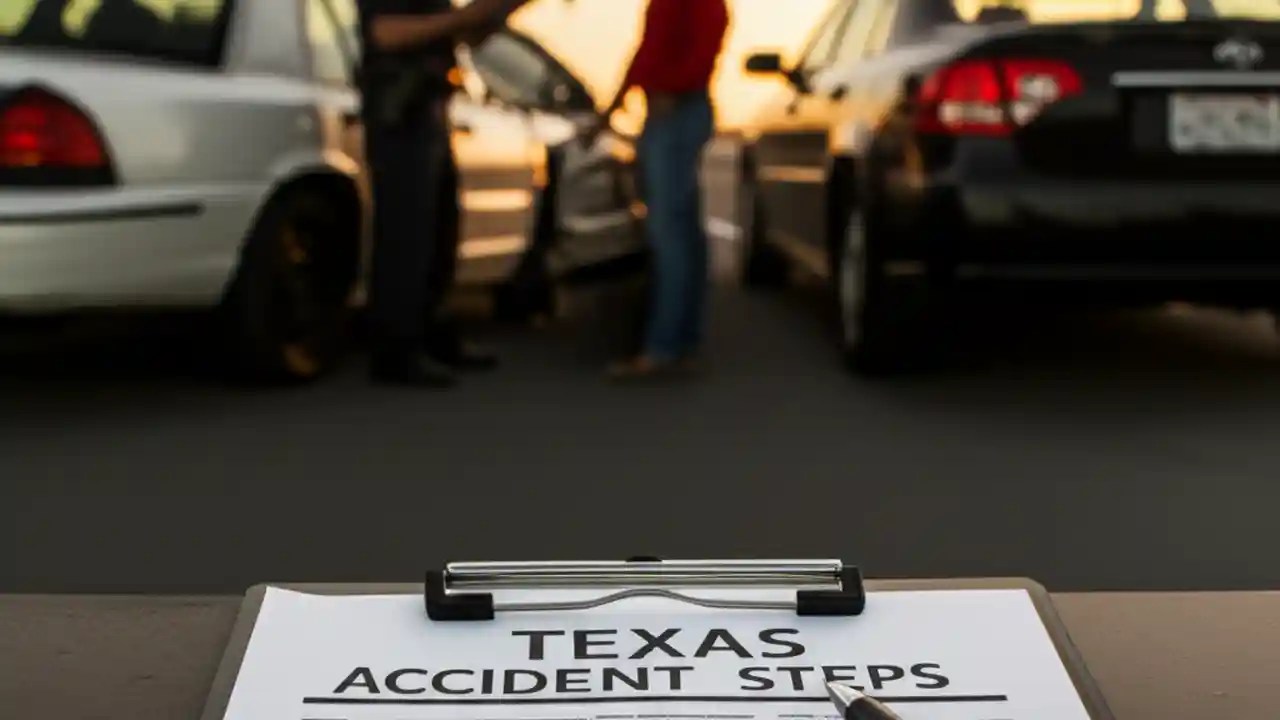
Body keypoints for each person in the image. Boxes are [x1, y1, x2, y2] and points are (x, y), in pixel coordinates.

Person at [358, 0, 529, 387]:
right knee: (406, 234)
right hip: (399, 114)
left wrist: (499, 10)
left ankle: (432, 334)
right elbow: (385, 33)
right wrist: (461, 18)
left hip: (430, 110)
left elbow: (465, 35)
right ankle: (395, 351)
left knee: (439, 231)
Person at [590, 0, 729, 381]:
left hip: (677, 112)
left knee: (670, 234)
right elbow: (647, 49)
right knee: (681, 231)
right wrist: (614, 105)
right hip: (667, 111)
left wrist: (675, 88)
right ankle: (681, 342)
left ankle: (663, 347)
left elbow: (708, 39)